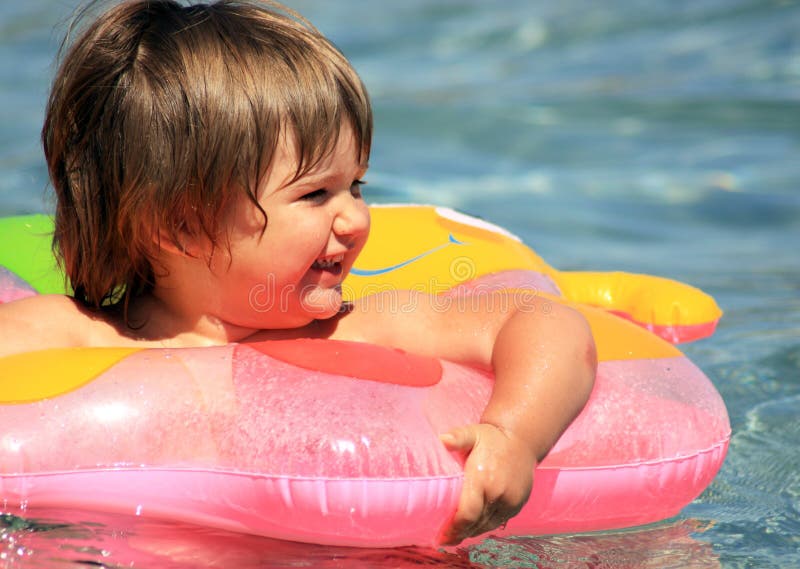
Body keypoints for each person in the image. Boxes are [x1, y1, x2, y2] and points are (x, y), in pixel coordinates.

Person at [0, 0, 596, 545]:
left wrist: (513, 435)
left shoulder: (357, 327)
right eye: (317, 195)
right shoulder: (72, 335)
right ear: (179, 225)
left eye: (356, 186)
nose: (357, 219)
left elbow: (545, 322)